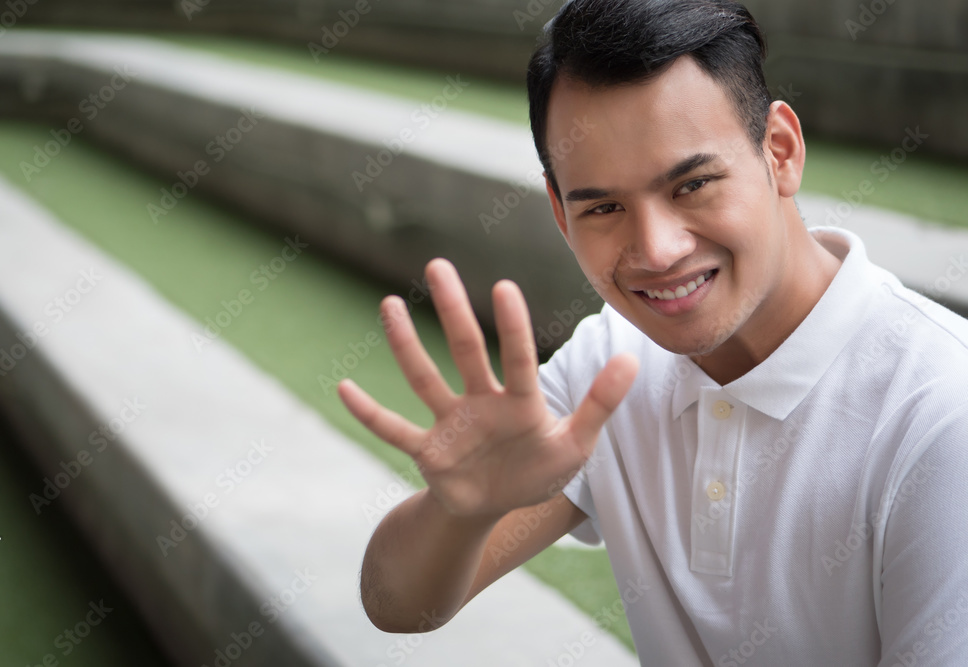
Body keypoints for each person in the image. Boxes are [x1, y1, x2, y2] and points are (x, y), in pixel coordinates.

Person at [338, 0, 968, 664]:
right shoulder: (612, 361)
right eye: (604, 206)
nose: (657, 249)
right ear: (559, 212)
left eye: (693, 184)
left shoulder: (941, 413)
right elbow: (398, 605)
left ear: (779, 151)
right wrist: (459, 512)